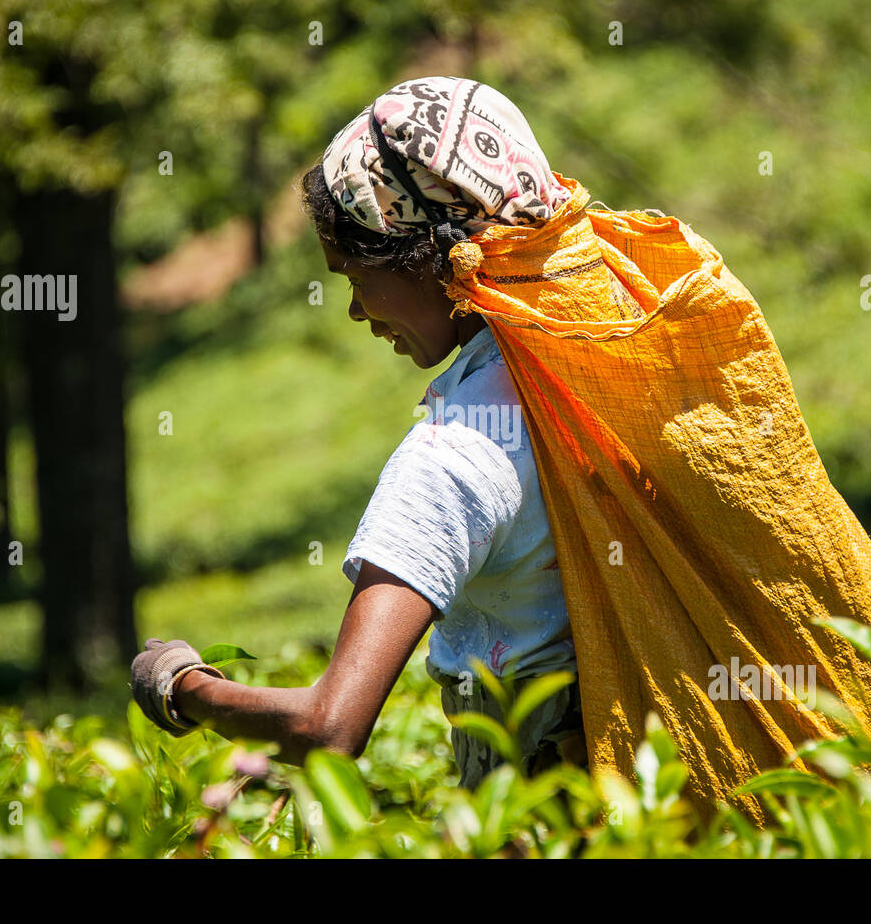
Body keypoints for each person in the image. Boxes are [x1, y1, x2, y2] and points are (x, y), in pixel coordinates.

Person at [132, 76, 588, 788]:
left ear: (421, 257)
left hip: (540, 811)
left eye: (351, 276)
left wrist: (183, 685)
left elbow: (329, 726)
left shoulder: (456, 452)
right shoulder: (601, 357)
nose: (354, 311)